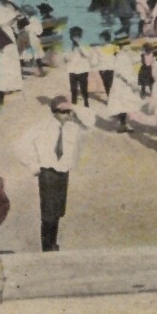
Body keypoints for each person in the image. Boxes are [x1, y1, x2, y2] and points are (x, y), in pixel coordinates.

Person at [19, 95, 95, 252]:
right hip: (47, 173)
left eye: (68, 112)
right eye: (62, 112)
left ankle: (52, 244)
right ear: (54, 112)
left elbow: (90, 120)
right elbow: (21, 144)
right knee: (48, 214)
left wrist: (74, 107)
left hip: (63, 172)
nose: (66, 115)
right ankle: (47, 248)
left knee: (58, 211)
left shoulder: (73, 127)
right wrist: (33, 163)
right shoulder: (42, 126)